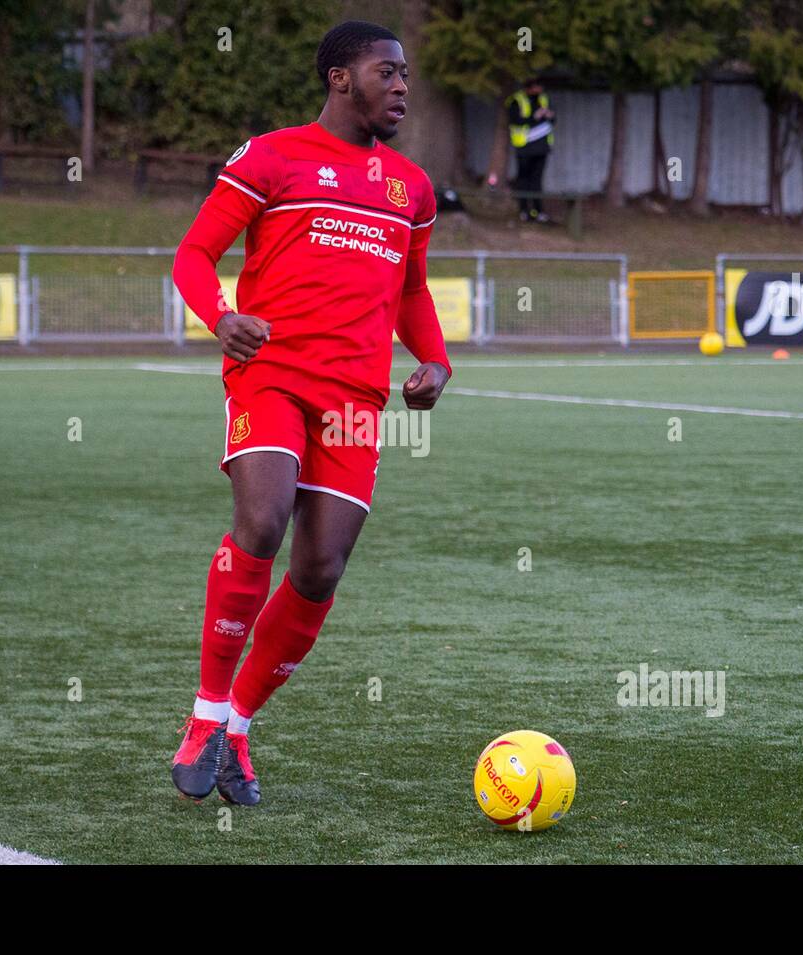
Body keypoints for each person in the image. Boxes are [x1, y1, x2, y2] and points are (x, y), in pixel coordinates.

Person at [168, 20, 452, 806]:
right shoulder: (271, 156)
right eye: (385, 72)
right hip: (272, 376)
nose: (401, 85)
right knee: (261, 520)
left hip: (357, 398)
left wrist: (435, 360)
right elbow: (193, 255)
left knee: (321, 566)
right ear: (339, 79)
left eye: (405, 75)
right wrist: (223, 317)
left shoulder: (412, 188)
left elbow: (411, 292)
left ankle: (238, 725)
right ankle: (202, 715)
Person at [505, 76, 555, 223]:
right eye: (536, 87)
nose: (539, 90)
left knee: (537, 181)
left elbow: (553, 118)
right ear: (529, 88)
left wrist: (550, 115)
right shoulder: (516, 100)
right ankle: (524, 211)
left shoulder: (544, 99)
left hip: (542, 147)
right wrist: (535, 117)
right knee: (523, 180)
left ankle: (537, 211)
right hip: (525, 147)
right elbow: (515, 120)